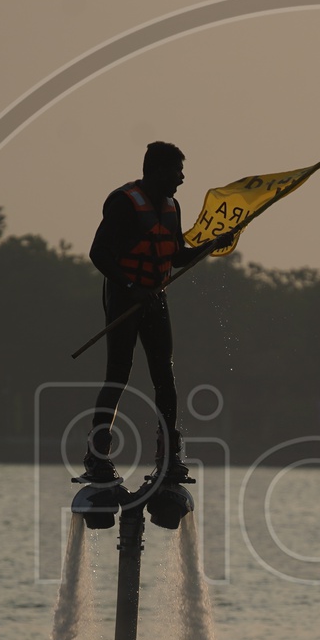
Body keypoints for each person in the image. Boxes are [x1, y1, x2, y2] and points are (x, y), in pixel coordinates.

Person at [79, 141, 233, 484]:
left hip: (155, 298)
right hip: (124, 297)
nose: (181, 179)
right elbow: (99, 254)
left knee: (164, 375)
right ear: (157, 170)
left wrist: (211, 246)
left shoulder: (172, 206)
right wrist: (132, 287)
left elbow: (176, 256)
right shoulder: (124, 204)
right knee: (118, 374)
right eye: (177, 171)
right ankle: (98, 456)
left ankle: (168, 457)